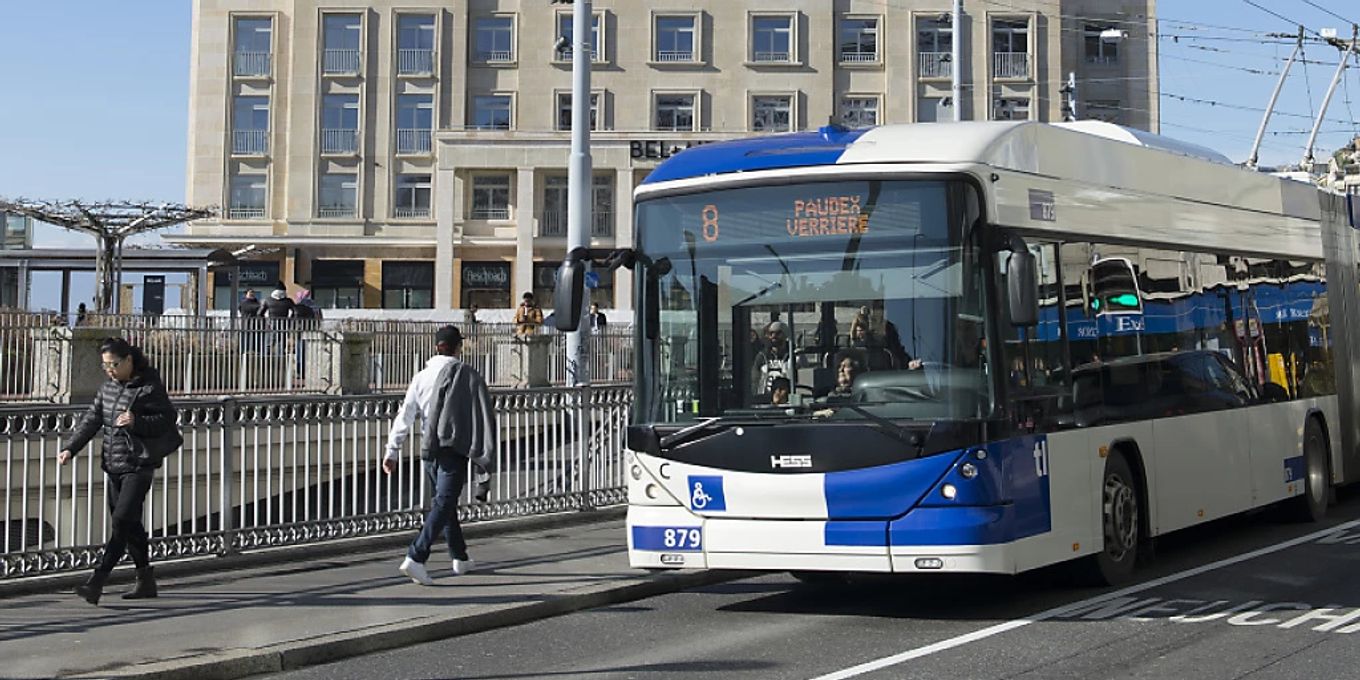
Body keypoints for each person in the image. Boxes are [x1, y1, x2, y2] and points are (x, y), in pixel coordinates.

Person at [58, 338, 179, 605]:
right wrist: (70, 448)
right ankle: (145, 580)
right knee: (130, 524)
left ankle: (97, 581)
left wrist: (137, 422)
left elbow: (167, 419)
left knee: (122, 520)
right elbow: (91, 420)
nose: (110, 370)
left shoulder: (149, 386)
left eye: (114, 364)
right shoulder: (108, 389)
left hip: (139, 464)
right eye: (105, 366)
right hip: (113, 465)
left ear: (128, 361)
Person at [382, 325, 496, 586]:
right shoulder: (466, 374)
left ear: (436, 347)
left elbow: (406, 414)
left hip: (428, 448)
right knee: (444, 503)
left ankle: (460, 557)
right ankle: (416, 556)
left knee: (445, 503)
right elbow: (480, 413)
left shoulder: (421, 376)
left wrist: (392, 450)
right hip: (453, 449)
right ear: (458, 347)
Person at [751, 321, 793, 395]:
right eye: (771, 333)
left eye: (778, 333)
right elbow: (754, 380)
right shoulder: (762, 356)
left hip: (788, 399)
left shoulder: (794, 355)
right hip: (764, 398)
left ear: (786, 335)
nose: (774, 336)